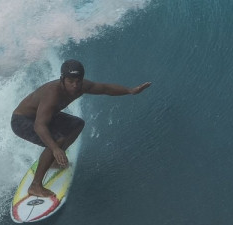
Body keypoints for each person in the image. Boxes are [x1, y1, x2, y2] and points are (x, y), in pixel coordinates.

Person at [11, 59, 151, 198]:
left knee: (77, 124)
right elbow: (39, 126)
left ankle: (54, 161)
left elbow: (105, 89)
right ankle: (35, 185)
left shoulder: (82, 86)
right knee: (56, 140)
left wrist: (129, 90)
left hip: (45, 117)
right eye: (70, 81)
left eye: (78, 81)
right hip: (22, 121)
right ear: (62, 79)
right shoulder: (52, 94)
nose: (75, 85)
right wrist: (55, 148)